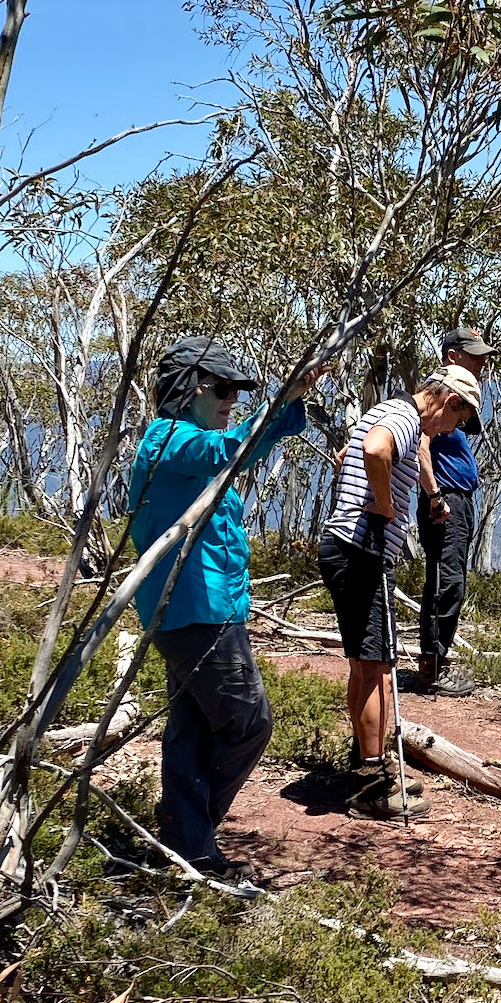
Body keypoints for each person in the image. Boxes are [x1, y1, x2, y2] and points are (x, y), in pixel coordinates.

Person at [127, 336, 314, 879]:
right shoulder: (169, 441)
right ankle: (192, 832)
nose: (232, 398)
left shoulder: (188, 442)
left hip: (206, 608)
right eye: (223, 388)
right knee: (247, 723)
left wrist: (287, 403)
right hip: (195, 610)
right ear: (188, 390)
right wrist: (280, 402)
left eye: (238, 389)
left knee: (191, 729)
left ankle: (186, 842)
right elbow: (228, 450)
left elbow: (235, 449)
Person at [321, 365, 484, 819]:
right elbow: (374, 449)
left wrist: (373, 489)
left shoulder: (387, 409)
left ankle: (364, 763)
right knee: (377, 668)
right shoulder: (408, 418)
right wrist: (387, 503)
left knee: (364, 664)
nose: (449, 430)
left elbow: (346, 455)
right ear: (449, 402)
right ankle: (371, 782)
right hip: (361, 552)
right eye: (457, 420)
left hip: (347, 549)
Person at [413, 324, 497, 696]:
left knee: (450, 579)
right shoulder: (438, 400)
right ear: (452, 357)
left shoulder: (456, 397)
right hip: (445, 497)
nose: (482, 362)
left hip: (457, 497)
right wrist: (434, 495)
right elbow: (420, 446)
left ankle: (436, 661)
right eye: (475, 355)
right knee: (446, 580)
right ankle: (433, 667)